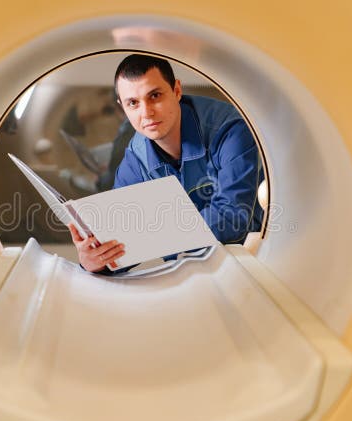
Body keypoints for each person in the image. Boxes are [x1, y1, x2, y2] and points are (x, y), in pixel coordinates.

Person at [69, 54, 264, 273]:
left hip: (253, 256)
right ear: (123, 107)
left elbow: (232, 217)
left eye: (155, 96)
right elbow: (120, 240)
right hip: (190, 267)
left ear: (177, 90)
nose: (146, 113)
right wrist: (96, 261)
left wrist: (153, 234)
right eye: (133, 103)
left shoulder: (229, 131)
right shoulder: (136, 159)